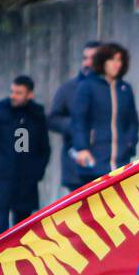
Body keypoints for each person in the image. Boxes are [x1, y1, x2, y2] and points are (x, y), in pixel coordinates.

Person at [0, 75, 51, 239]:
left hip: (26, 183)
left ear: (29, 95)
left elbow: (44, 149)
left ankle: (19, 264)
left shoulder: (36, 115)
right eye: (13, 91)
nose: (14, 96)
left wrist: (36, 173)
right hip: (0, 180)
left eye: (19, 93)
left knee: (22, 233)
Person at [71, 43, 139, 183]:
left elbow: (133, 121)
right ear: (102, 61)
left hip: (121, 163)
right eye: (112, 60)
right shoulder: (87, 86)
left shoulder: (125, 89)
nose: (117, 64)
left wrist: (130, 144)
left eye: (119, 60)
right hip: (94, 163)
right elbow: (79, 121)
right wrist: (82, 148)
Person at [47, 41, 102, 193]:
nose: (88, 63)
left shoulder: (114, 89)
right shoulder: (68, 88)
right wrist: (77, 127)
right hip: (76, 167)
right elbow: (52, 119)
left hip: (106, 165)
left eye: (94, 58)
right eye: (85, 58)